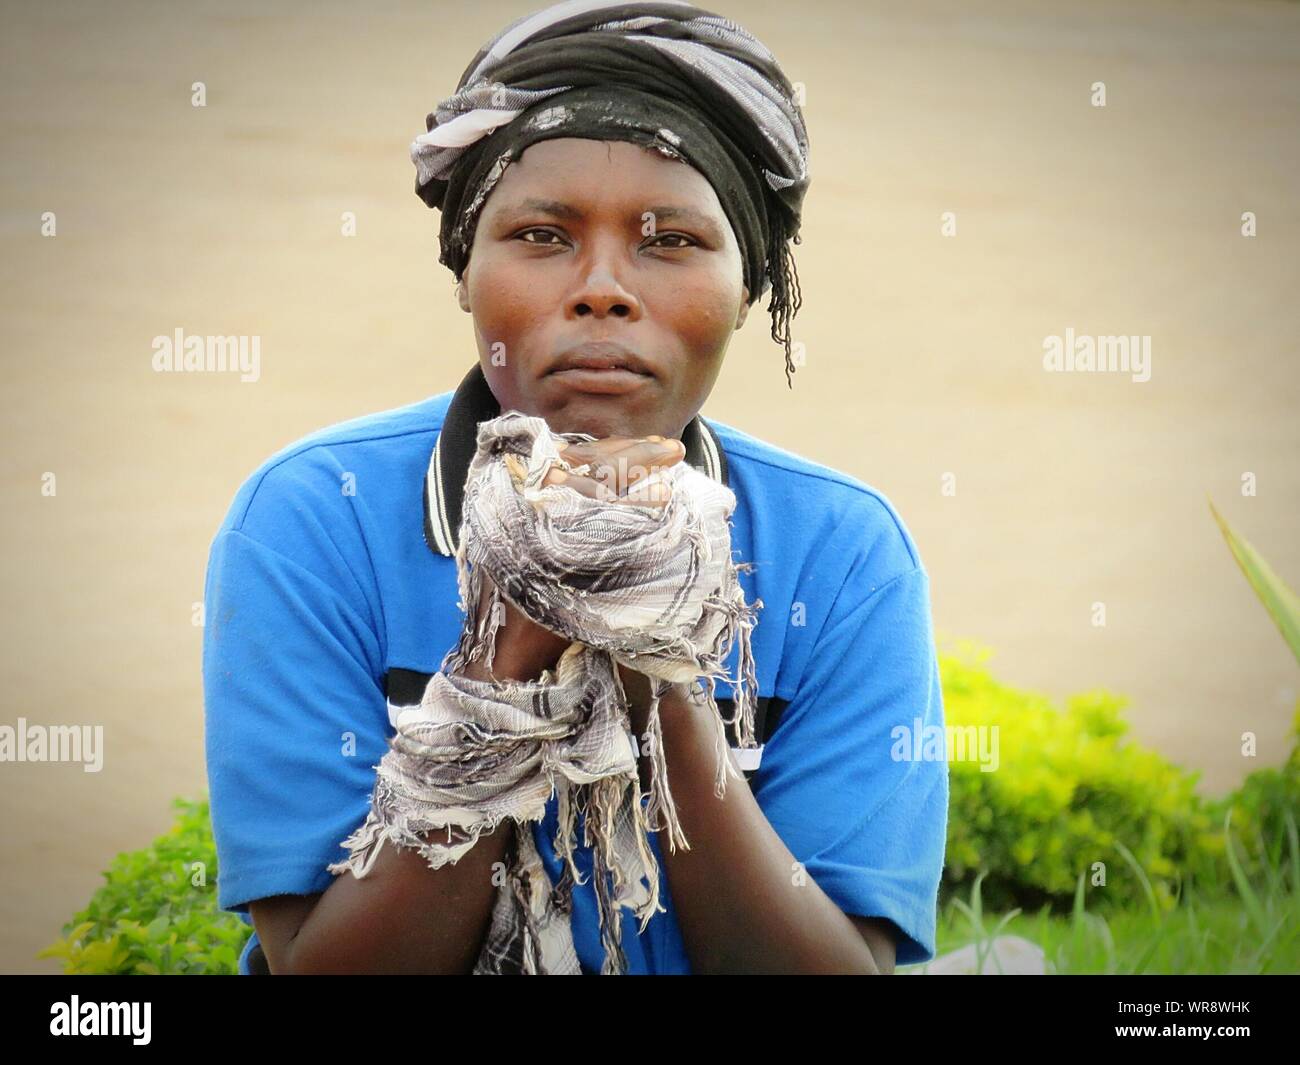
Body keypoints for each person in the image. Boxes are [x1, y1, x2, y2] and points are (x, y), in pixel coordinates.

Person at [202, 0, 948, 975]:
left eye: (671, 239)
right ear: (465, 268)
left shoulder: (843, 551)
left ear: (748, 283)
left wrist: (651, 663)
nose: (602, 287)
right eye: (543, 235)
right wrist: (504, 663)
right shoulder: (310, 522)